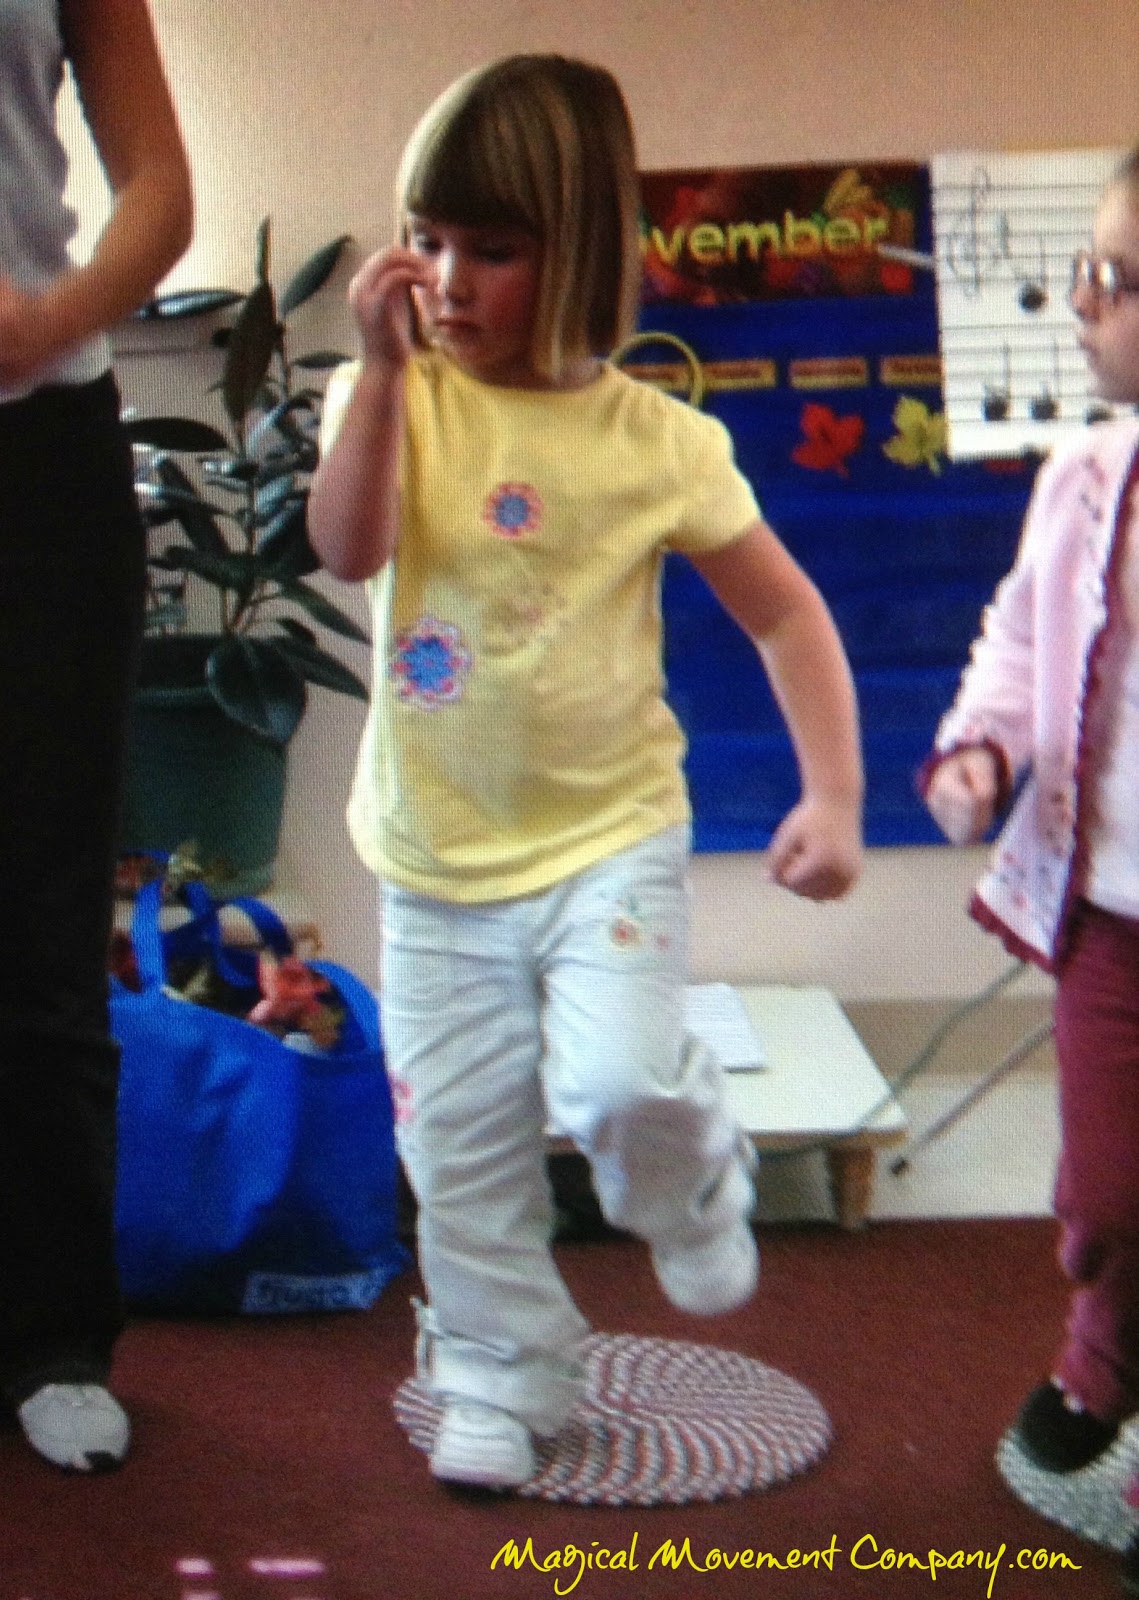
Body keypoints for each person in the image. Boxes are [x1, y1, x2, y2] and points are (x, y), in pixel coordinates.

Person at [308, 54, 863, 1493]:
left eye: (492, 249)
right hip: (433, 862)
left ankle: (692, 1173)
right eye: (429, 239)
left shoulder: (659, 442)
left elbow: (789, 611)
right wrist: (375, 376)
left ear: (586, 256)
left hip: (606, 840)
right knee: (463, 1149)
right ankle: (502, 1366)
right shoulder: (397, 397)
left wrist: (837, 794)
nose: (447, 278)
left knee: (618, 1087)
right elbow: (349, 550)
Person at [0, 0, 192, 1470]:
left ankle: (49, 1337)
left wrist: (63, 309)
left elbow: (158, 189)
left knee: (42, 930)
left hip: (38, 461)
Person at [923, 149, 1139, 1590]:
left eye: (1111, 281)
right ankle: (1104, 1347)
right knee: (1112, 1198)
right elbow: (1014, 637)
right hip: (1112, 922)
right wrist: (982, 748)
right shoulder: (1082, 475)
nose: (1078, 303)